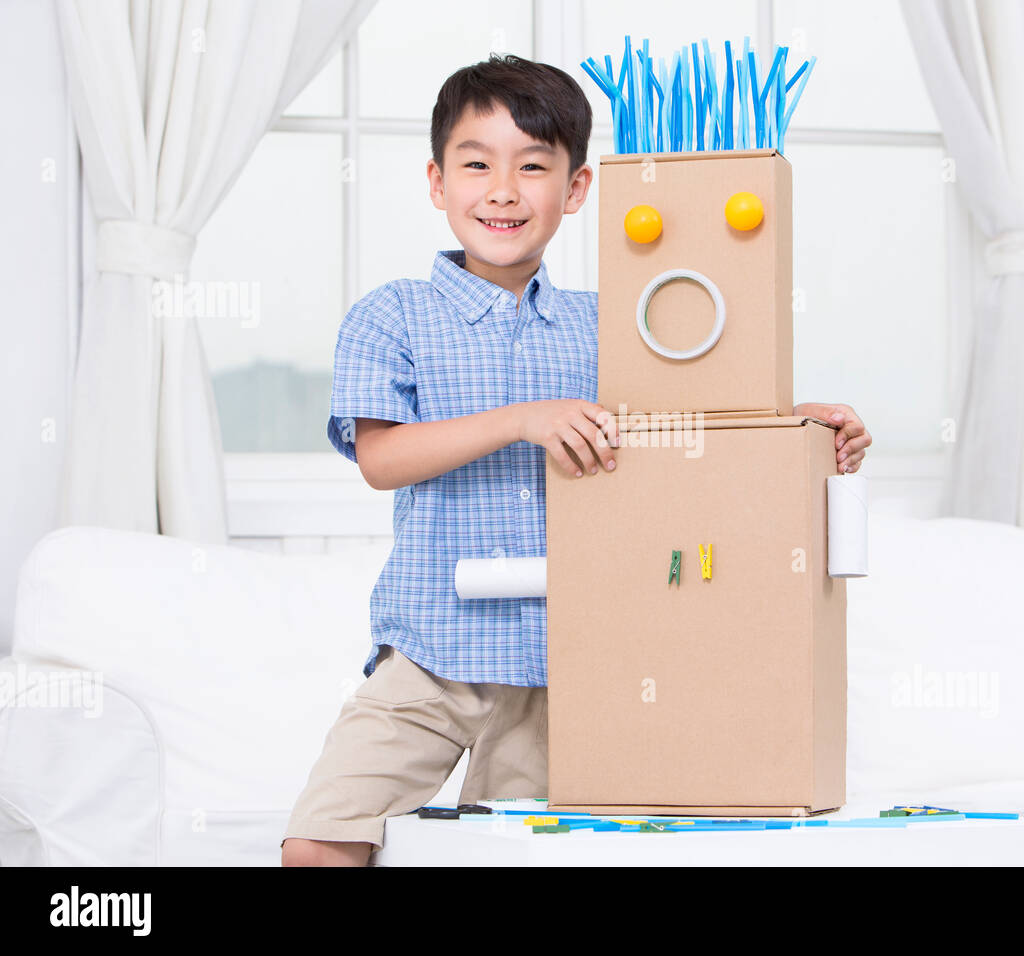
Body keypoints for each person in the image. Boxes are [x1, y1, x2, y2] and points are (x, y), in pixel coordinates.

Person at [281, 53, 871, 866]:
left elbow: (686, 427)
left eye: (533, 167)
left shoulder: (613, 324)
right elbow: (382, 458)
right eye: (476, 164)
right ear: (435, 180)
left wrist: (796, 424)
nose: (503, 189)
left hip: (568, 669)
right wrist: (522, 419)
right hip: (429, 655)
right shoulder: (394, 316)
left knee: (517, 857)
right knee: (318, 846)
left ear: (578, 190)